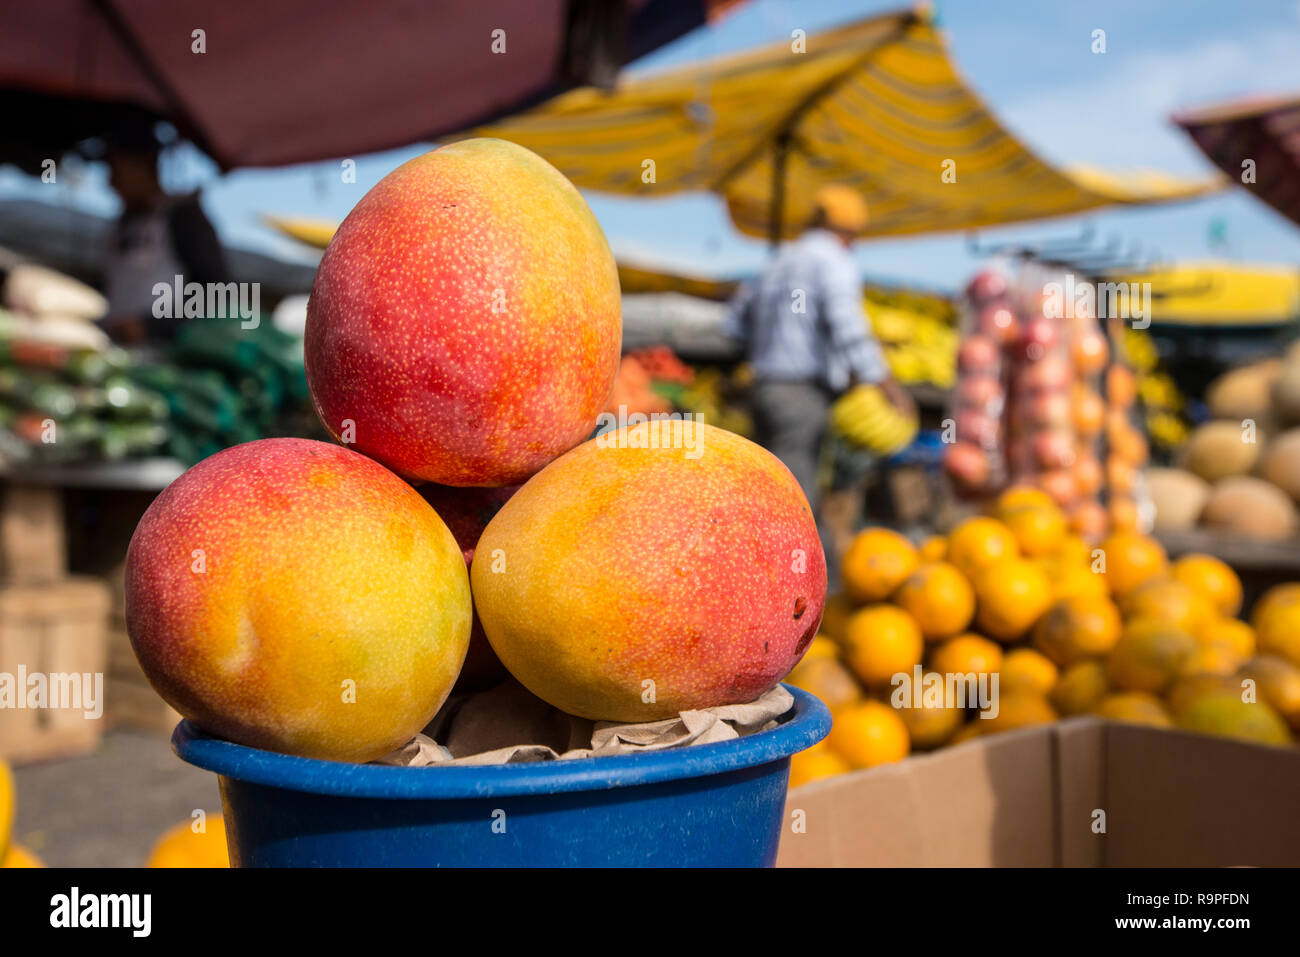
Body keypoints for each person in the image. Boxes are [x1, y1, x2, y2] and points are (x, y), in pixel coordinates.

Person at [723, 184, 914, 520]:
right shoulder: (834, 261)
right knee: (793, 502)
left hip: (764, 389)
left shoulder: (777, 262)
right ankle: (801, 572)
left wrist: (763, 352)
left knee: (765, 490)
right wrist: (887, 386)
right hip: (802, 397)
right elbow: (848, 327)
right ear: (850, 231)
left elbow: (736, 323)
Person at [97, 124, 230, 347]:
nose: (110, 182)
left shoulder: (183, 216)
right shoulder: (122, 223)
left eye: (116, 170)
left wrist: (151, 326)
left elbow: (218, 294)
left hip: (163, 361)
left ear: (144, 164)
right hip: (115, 349)